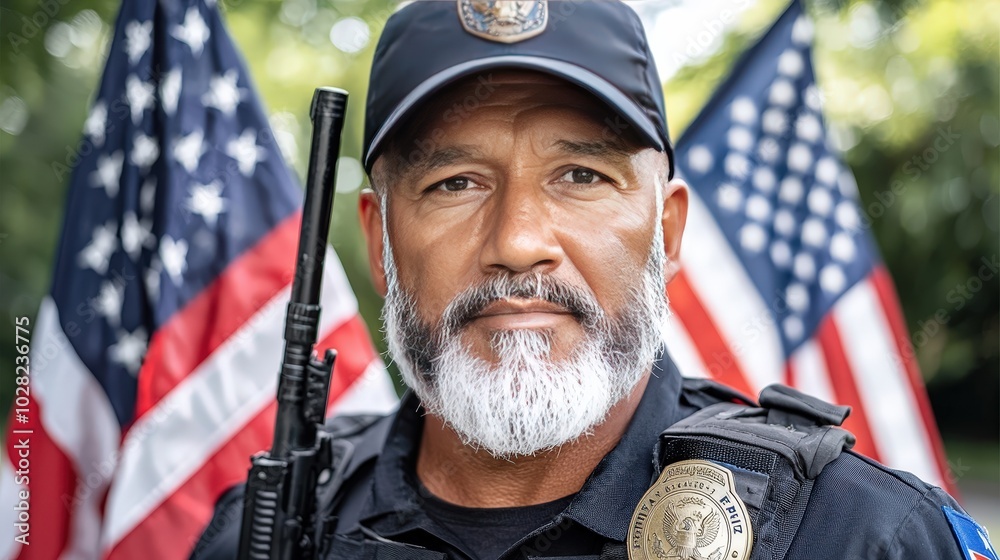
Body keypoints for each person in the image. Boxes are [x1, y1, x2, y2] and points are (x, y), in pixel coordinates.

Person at [192, 2, 996, 559]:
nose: (516, 242)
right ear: (379, 241)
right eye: (455, 184)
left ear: (667, 230)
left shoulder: (859, 538)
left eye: (579, 175)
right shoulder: (262, 535)